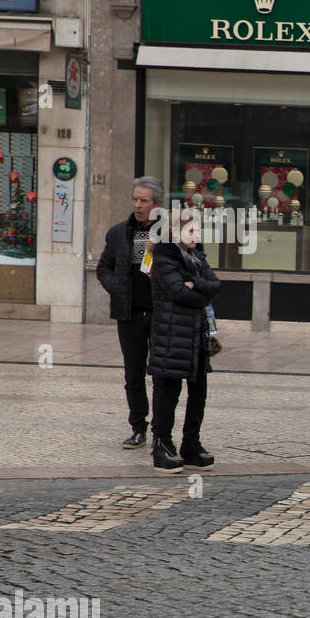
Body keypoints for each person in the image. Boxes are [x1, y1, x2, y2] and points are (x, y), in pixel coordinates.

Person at [147, 213, 220, 471]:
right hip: (171, 336)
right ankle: (162, 446)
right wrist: (200, 294)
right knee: (169, 393)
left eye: (197, 230)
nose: (196, 236)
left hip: (195, 337)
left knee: (199, 393)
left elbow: (214, 285)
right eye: (191, 231)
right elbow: (179, 292)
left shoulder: (197, 257)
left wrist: (195, 284)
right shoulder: (165, 257)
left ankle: (191, 445)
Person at [97, 177, 165, 449]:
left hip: (161, 314)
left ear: (157, 204)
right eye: (135, 199)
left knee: (161, 374)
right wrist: (118, 288)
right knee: (133, 376)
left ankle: (162, 429)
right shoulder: (118, 233)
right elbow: (104, 268)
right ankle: (138, 427)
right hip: (130, 314)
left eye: (144, 201)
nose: (137, 205)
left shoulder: (169, 233)